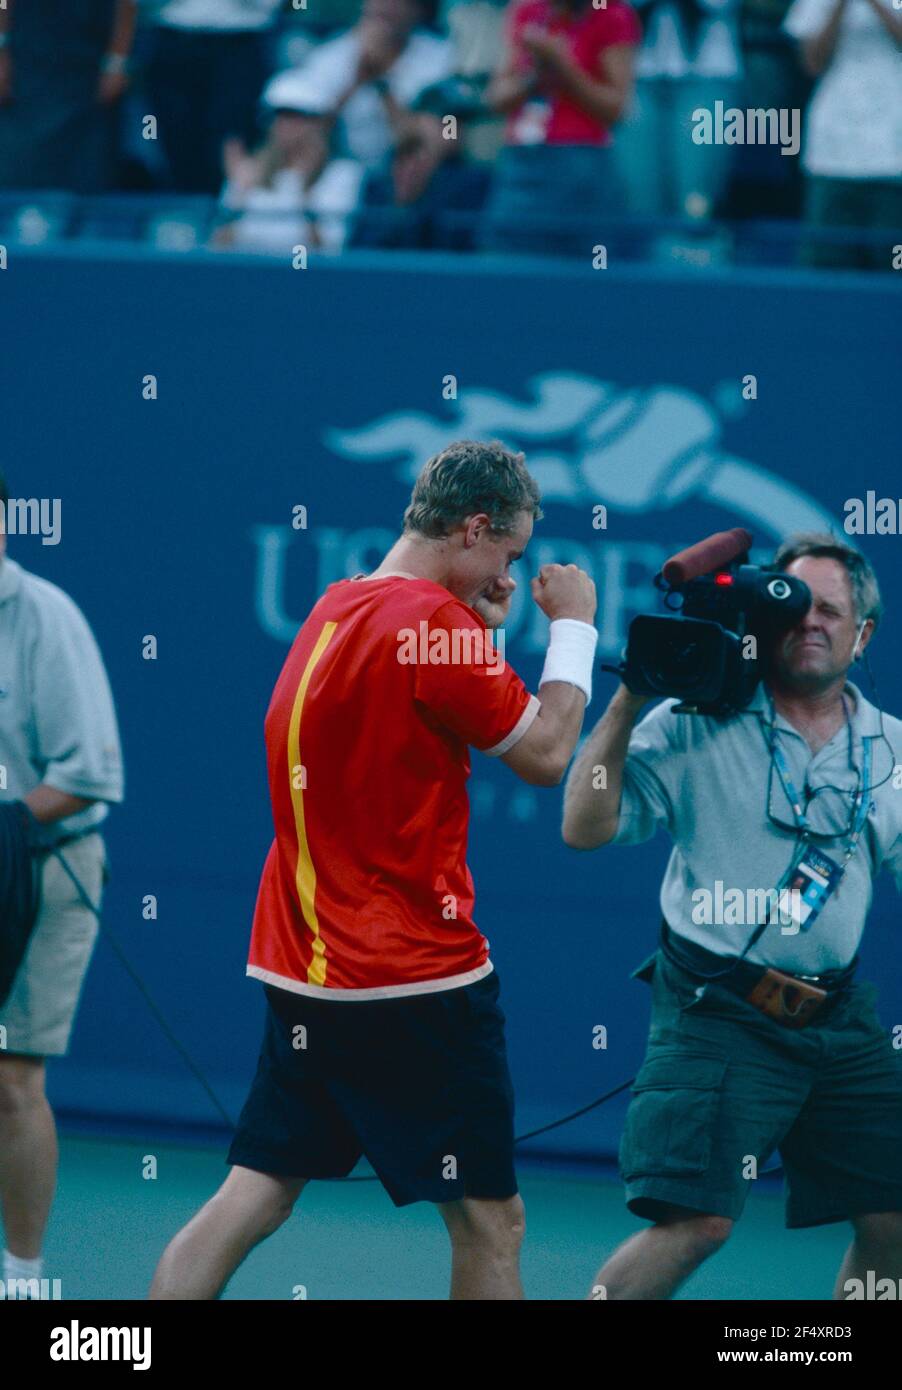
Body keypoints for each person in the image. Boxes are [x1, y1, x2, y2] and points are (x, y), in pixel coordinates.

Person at [149, 440, 598, 1301]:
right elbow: (546, 754)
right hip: (412, 983)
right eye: (506, 554)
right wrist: (573, 627)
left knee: (254, 1192)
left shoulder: (337, 607)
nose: (512, 571)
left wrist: (472, 614)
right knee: (488, 1222)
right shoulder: (435, 629)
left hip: (302, 969)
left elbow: (414, 681)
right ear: (474, 528)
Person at [562, 534, 902, 1300]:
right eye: (794, 604)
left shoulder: (891, 752)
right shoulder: (693, 718)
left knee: (894, 1215)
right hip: (717, 1009)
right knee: (697, 1221)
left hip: (837, 1017)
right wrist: (631, 697)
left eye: (832, 610)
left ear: (864, 633)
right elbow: (583, 827)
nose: (811, 621)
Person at [0, 474, 124, 1299]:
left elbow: (89, 776)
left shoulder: (44, 617)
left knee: (12, 1079)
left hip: (47, 869)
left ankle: (24, 1282)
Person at [482, 0, 640, 257]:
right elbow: (496, 98)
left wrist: (564, 68)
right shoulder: (527, 10)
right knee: (505, 263)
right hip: (522, 162)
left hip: (582, 162)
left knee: (578, 273)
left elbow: (616, 109)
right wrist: (534, 77)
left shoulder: (613, 14)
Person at [783, 0, 902, 270]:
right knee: (826, 266)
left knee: (891, 270)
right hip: (832, 152)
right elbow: (812, 63)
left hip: (894, 157)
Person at [275, 0, 453, 170]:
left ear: (417, 9)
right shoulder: (328, 57)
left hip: (410, 172)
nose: (387, 6)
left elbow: (435, 141)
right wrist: (358, 78)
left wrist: (382, 84)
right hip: (338, 171)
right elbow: (309, 134)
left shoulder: (440, 57)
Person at [143, 0, 284, 194]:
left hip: (240, 42)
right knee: (173, 135)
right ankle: (184, 210)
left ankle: (231, 209)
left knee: (233, 134)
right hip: (172, 39)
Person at [213, 75, 364, 255]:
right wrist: (240, 195)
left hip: (304, 275)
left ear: (320, 122)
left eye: (294, 117)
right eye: (278, 116)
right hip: (250, 275)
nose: (283, 125)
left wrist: (304, 192)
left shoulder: (342, 174)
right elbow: (218, 246)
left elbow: (328, 252)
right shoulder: (248, 169)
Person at [0, 0, 137, 194]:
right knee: (19, 159)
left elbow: (127, 3)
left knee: (88, 161)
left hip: (90, 55)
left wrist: (117, 60)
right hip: (27, 55)